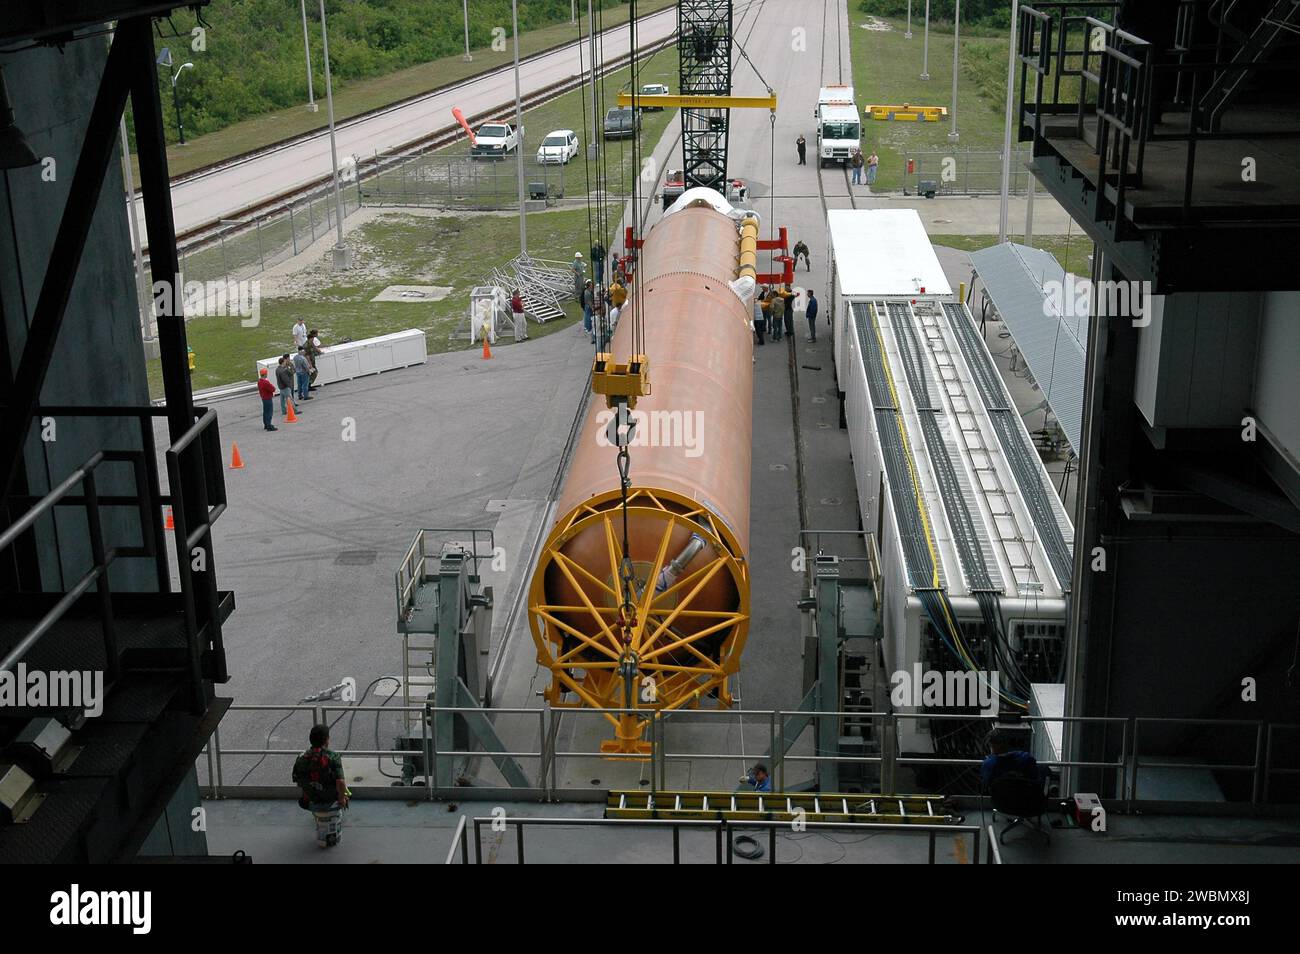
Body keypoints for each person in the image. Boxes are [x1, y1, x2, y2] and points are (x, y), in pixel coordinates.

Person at [292, 724, 350, 848]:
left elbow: (299, 781)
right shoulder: (333, 757)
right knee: (345, 793)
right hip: (331, 802)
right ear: (327, 739)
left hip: (310, 802)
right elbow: (340, 782)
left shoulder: (301, 758)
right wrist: (341, 798)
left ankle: (318, 816)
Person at [980, 729, 1050, 791]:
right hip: (1026, 801)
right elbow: (1034, 777)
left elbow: (986, 786)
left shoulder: (989, 764)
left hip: (1001, 802)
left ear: (991, 746)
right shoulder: (1026, 758)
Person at [256, 368, 277, 432]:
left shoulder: (259, 382)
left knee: (265, 412)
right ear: (265, 374)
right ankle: (269, 425)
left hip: (263, 398)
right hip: (268, 398)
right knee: (269, 412)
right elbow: (273, 389)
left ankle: (266, 424)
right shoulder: (265, 382)